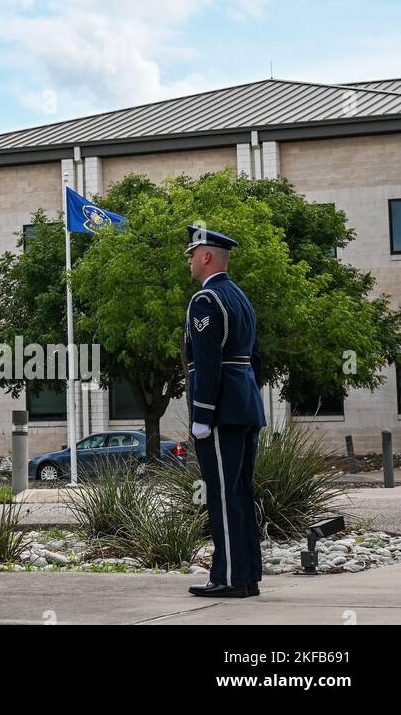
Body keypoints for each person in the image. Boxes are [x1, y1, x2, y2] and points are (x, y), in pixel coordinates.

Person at [184, 225, 266, 598]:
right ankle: (246, 576)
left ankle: (229, 577)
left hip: (222, 413)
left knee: (221, 493)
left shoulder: (206, 300)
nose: (188, 260)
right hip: (245, 406)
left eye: (191, 253)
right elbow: (255, 359)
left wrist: (202, 415)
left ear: (206, 256)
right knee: (240, 491)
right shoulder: (240, 297)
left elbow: (208, 362)